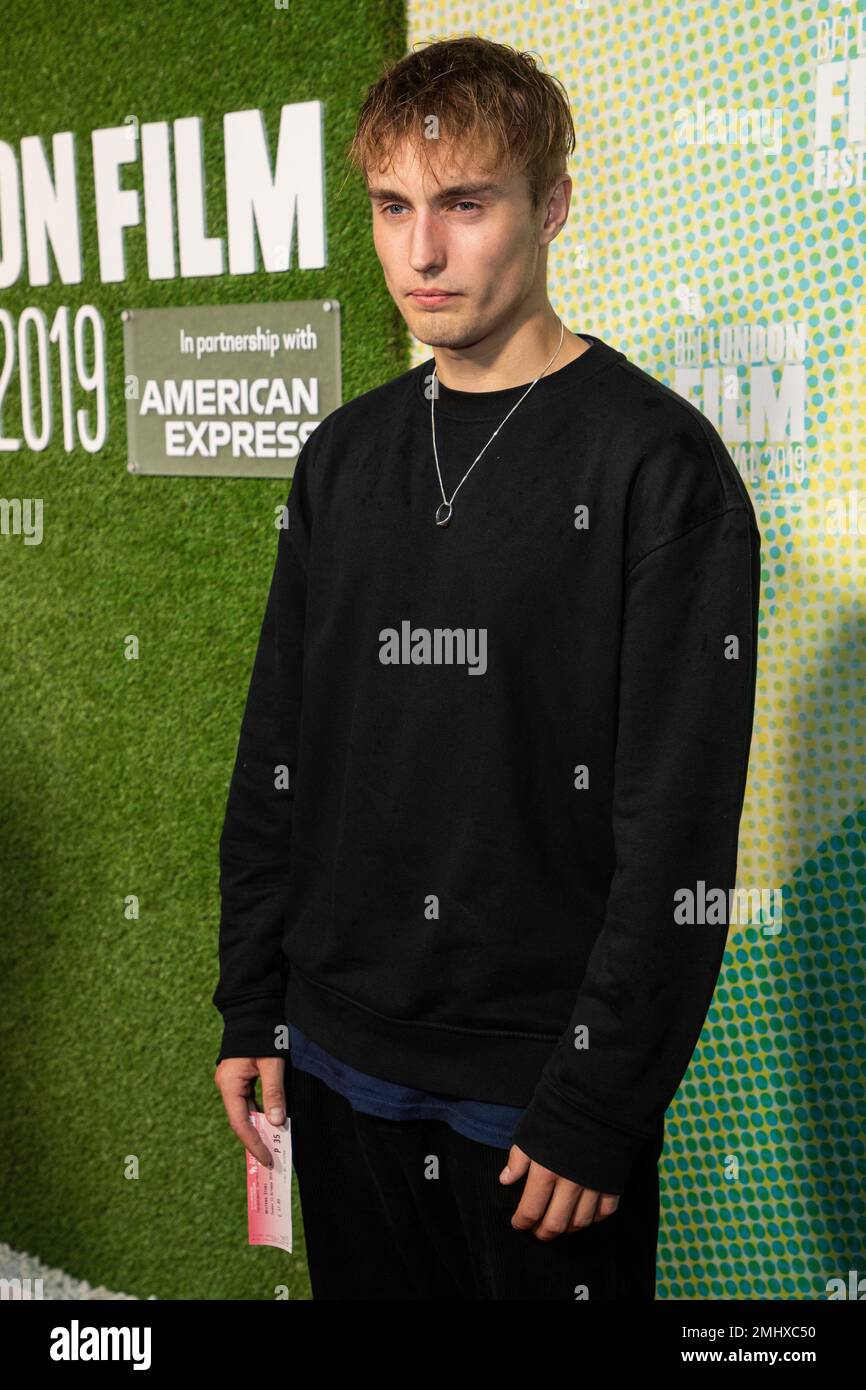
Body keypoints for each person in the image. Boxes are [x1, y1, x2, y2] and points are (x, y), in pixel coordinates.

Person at [212, 35, 761, 1301]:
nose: (421, 252)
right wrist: (255, 1003)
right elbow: (278, 747)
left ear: (550, 206)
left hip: (531, 1103)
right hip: (337, 1059)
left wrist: (599, 1098)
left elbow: (676, 829)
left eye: (463, 204)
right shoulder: (341, 457)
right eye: (394, 207)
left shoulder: (656, 472)